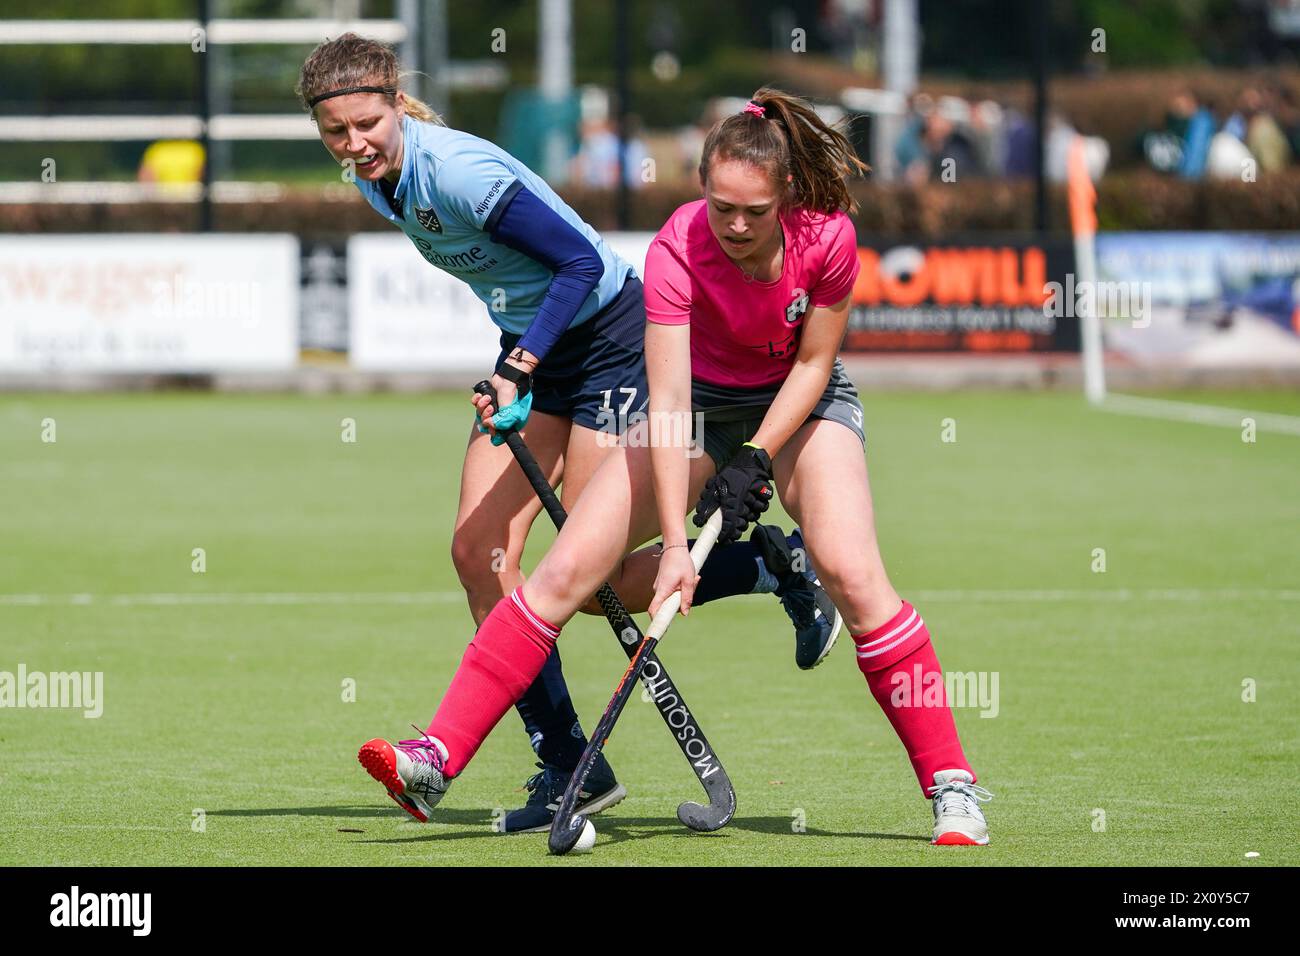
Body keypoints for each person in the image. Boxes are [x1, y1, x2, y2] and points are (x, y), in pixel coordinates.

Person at [357, 87, 993, 846]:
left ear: (786, 194)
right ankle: (437, 756)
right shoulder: (676, 249)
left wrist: (757, 456)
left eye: (754, 212)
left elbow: (816, 363)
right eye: (721, 206)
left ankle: (951, 785)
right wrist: (672, 549)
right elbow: (665, 399)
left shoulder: (828, 239)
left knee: (853, 572)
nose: (735, 226)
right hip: (693, 412)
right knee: (566, 574)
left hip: (800, 404)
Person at [296, 37, 841, 833]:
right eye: (336, 133)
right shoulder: (380, 179)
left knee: (590, 576)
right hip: (537, 352)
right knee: (477, 553)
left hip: (605, 340)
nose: (354, 144)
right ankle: (567, 765)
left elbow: (582, 265)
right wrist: (521, 360)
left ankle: (766, 564)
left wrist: (518, 365)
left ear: (396, 104)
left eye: (367, 124)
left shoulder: (454, 172)